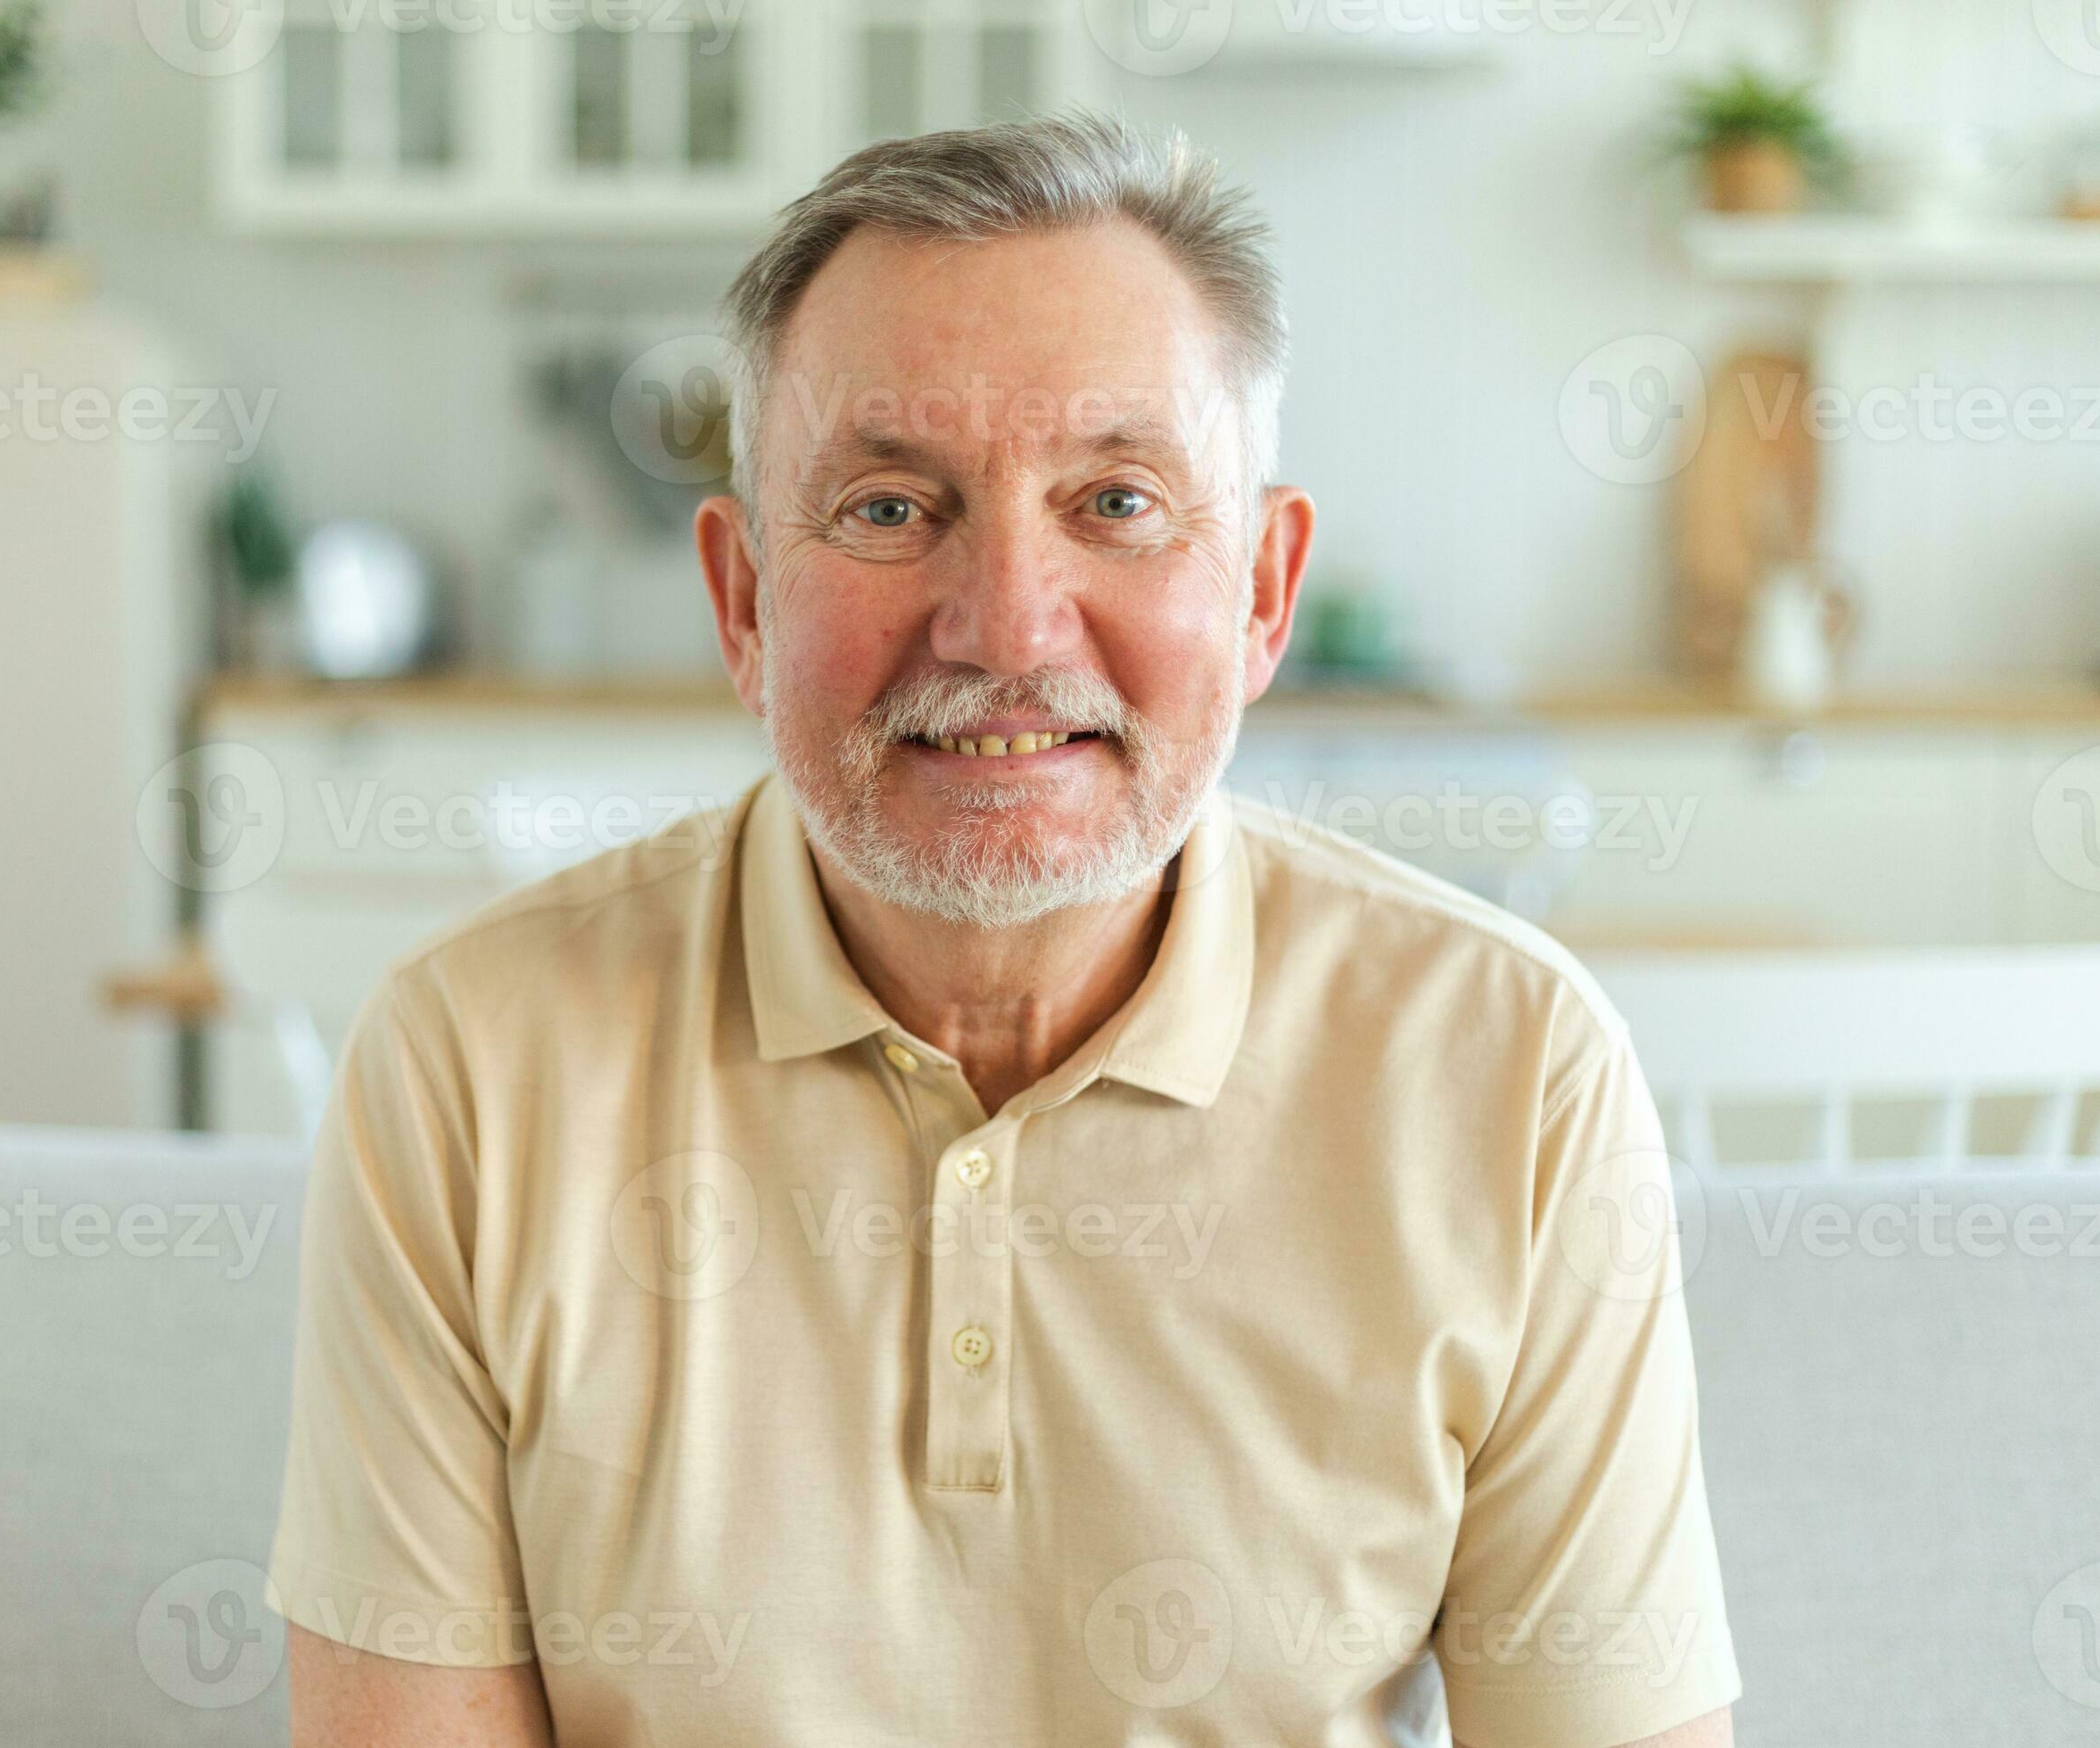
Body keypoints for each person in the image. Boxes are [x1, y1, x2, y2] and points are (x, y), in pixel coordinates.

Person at [271, 112, 1739, 1748]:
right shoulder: (465, 1071)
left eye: (1116, 500)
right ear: (745, 599)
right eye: (894, 510)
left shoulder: (1516, 1074)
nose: (1008, 628)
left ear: (1263, 588)